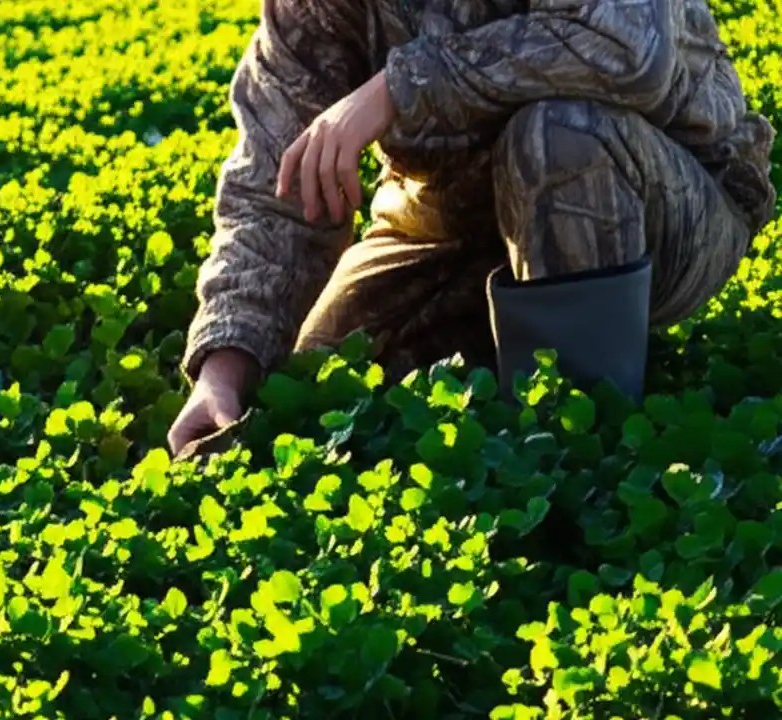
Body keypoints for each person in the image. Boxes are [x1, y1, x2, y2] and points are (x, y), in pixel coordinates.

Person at [167, 0, 777, 456]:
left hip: (665, 195)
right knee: (319, 388)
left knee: (558, 137)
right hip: (447, 214)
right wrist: (224, 368)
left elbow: (625, 47)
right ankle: (511, 343)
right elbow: (276, 180)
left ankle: (581, 450)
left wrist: (397, 90)